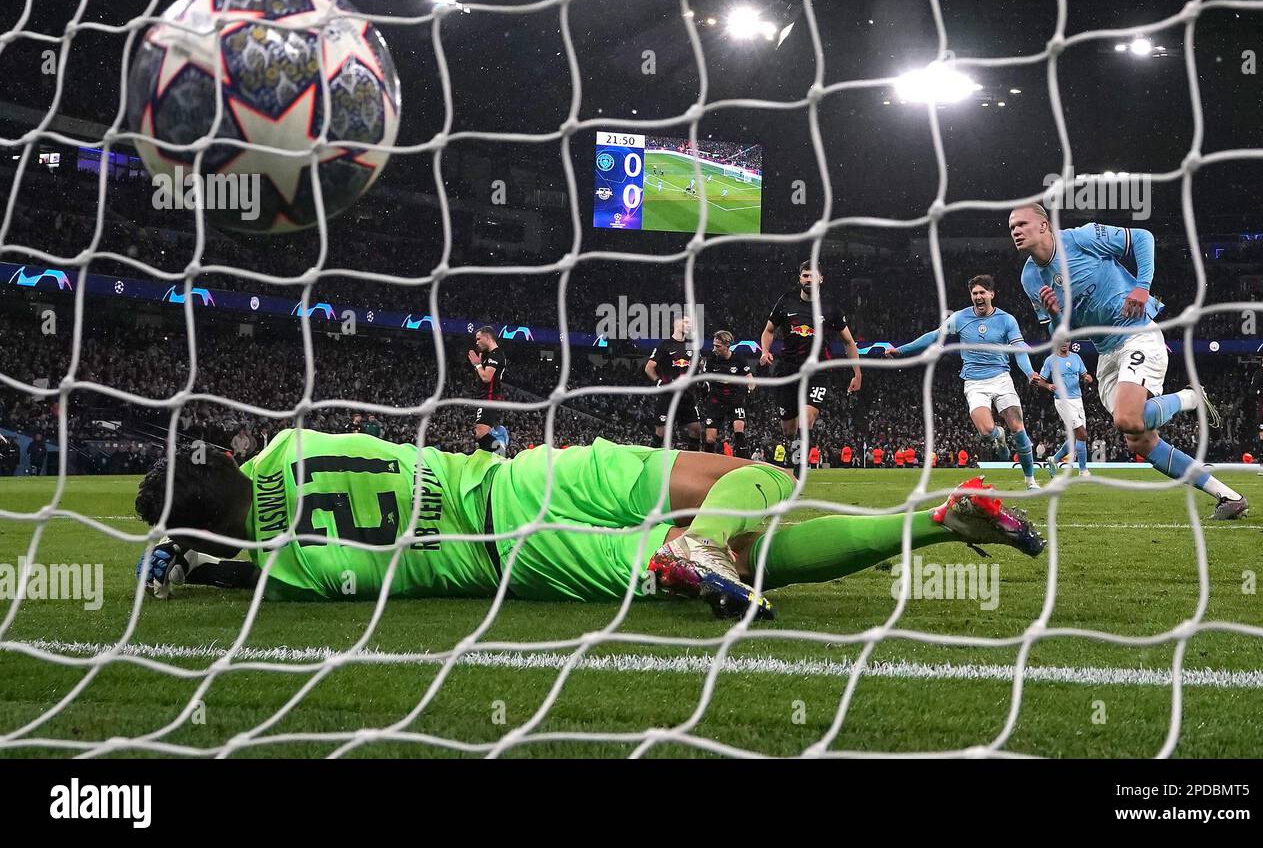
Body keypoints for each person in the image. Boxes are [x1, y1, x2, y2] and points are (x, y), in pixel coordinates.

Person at [134, 428, 1044, 619]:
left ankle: (684, 555)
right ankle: (942, 521)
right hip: (531, 474)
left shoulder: (280, 559)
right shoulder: (290, 441)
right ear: (224, 457)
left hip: (503, 555)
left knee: (726, 559)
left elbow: (245, 565)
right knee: (756, 485)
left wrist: (188, 560)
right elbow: (233, 464)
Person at [1009, 203, 1246, 518]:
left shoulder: (1082, 238)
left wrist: (1142, 288)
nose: (1015, 231)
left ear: (1043, 226)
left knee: (1126, 420)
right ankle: (1228, 496)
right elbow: (1060, 332)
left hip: (1138, 334)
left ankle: (1191, 396)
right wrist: (1054, 315)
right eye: (1012, 227)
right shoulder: (1029, 278)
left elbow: (1144, 238)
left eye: (1021, 224)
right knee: (1140, 443)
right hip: (1105, 352)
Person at [887, 274, 1046, 490]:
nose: (978, 297)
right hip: (974, 383)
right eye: (974, 293)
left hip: (1001, 379)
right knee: (987, 431)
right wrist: (901, 350)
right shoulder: (960, 319)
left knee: (1018, 429)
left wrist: (1029, 373)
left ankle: (1030, 481)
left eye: (982, 292)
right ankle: (998, 436)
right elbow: (933, 336)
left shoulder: (1006, 320)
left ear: (991, 294)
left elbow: (1019, 351)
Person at [759, 260, 862, 454]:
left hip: (817, 371)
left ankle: (800, 469)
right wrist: (765, 350)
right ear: (800, 278)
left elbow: (848, 341)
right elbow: (769, 330)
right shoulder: (786, 301)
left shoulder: (830, 308)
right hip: (788, 370)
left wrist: (857, 373)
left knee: (806, 420)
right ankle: (795, 447)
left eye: (812, 275)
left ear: (821, 279)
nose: (808, 279)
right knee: (789, 430)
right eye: (805, 275)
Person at [646, 316, 703, 449]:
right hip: (668, 395)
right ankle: (652, 460)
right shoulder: (665, 345)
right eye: (686, 322)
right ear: (676, 324)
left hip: (687, 395)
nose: (689, 326)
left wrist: (701, 379)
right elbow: (649, 368)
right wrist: (658, 382)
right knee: (661, 432)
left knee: (696, 429)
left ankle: (692, 463)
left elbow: (699, 366)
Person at [1038, 341, 1094, 476]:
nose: (1064, 343)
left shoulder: (1076, 358)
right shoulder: (1051, 360)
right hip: (1063, 401)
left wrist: (1087, 378)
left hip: (1078, 400)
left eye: (1067, 340)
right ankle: (1083, 470)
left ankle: (1054, 459)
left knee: (1076, 437)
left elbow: (1086, 375)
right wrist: (1048, 386)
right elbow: (1040, 380)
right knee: (1082, 434)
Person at [468, 326, 510, 454]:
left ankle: (502, 455)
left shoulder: (496, 354)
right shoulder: (489, 355)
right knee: (479, 433)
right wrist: (478, 365)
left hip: (489, 397)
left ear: (487, 337)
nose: (477, 342)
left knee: (480, 433)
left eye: (478, 339)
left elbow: (486, 377)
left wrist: (477, 365)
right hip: (484, 397)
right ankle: (491, 460)